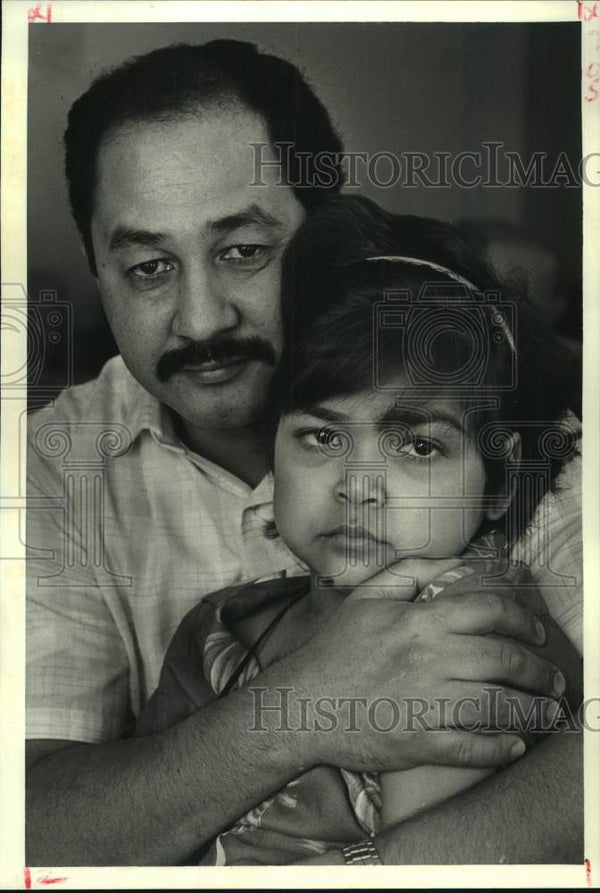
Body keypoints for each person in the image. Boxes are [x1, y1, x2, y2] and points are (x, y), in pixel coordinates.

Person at [26, 41, 583, 866]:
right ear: (99, 275)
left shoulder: (505, 427)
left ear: (325, 242)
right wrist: (310, 700)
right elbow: (30, 827)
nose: (202, 318)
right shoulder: (52, 469)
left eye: (243, 251)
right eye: (148, 267)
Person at [135, 196, 583, 865]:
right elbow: (136, 826)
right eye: (320, 435)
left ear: (497, 483)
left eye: (419, 448)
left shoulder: (469, 632)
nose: (358, 484)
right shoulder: (219, 627)